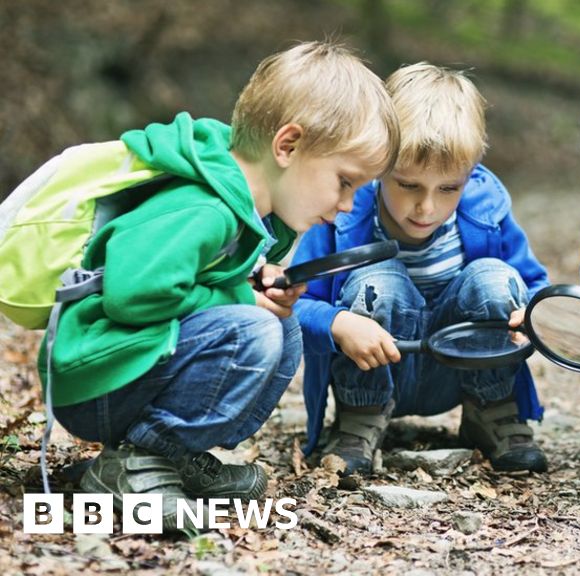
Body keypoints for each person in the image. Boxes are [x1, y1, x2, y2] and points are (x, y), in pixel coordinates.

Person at [39, 41, 399, 532]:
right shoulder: (203, 207)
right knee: (254, 330)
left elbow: (198, 285)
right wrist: (238, 298)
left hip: (128, 369)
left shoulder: (239, 211)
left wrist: (251, 284)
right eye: (345, 181)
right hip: (96, 379)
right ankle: (136, 461)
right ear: (287, 146)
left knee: (281, 327)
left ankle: (168, 456)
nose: (348, 205)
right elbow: (133, 294)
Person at [294, 63, 549, 476]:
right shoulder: (344, 215)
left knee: (493, 277)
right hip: (375, 367)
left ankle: (491, 411)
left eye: (448, 188)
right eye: (408, 185)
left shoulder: (485, 211)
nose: (427, 208)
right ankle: (360, 420)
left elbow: (535, 286)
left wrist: (534, 315)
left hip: (459, 369)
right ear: (379, 167)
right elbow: (296, 307)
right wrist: (338, 323)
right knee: (379, 278)